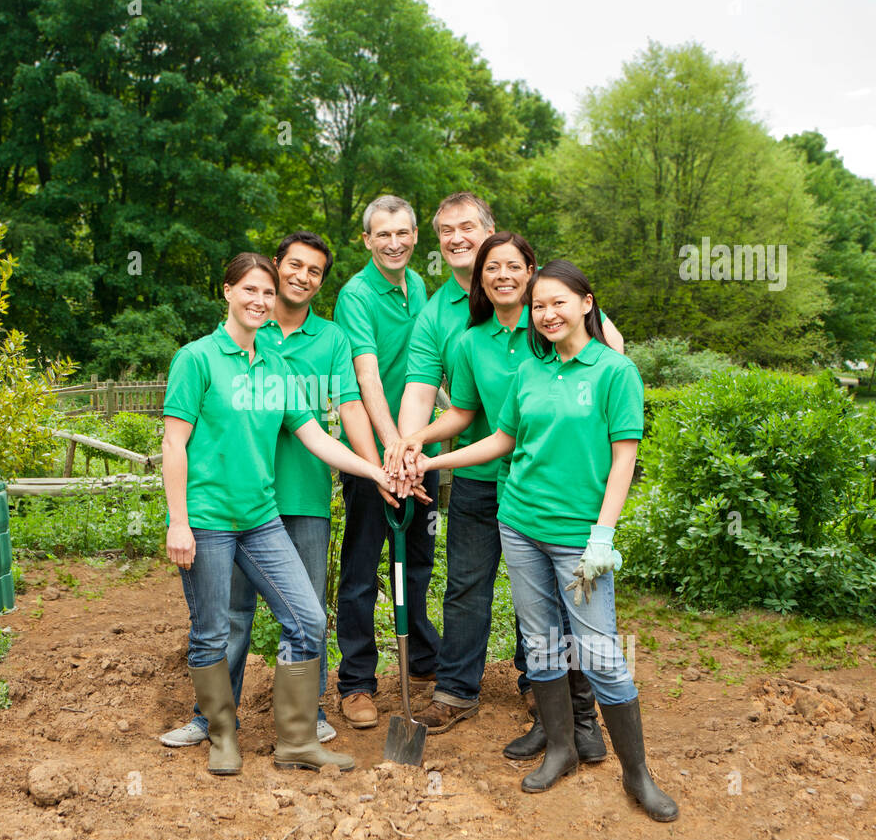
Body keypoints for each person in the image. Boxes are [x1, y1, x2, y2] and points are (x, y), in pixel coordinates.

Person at [412, 260, 678, 822]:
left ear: (586, 303)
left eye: (558, 302)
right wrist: (433, 459)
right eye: (539, 306)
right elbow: (502, 439)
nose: (547, 313)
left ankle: (639, 776)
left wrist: (602, 536)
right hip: (521, 525)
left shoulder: (613, 371)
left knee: (601, 653)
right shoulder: (530, 372)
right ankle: (560, 749)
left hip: (579, 537)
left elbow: (624, 458)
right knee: (540, 642)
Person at [389, 225, 621, 763]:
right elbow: (467, 415)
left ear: (532, 270)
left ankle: (550, 702)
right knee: (467, 587)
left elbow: (608, 360)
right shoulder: (470, 341)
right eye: (492, 268)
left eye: (513, 265)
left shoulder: (553, 333)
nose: (502, 275)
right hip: (479, 482)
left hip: (545, 489)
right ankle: (456, 691)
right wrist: (416, 440)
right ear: (480, 279)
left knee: (548, 606)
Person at [161, 252, 396, 776]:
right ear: (227, 292)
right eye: (249, 290)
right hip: (208, 519)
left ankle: (295, 741)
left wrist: (374, 470)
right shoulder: (197, 359)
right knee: (213, 630)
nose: (260, 301)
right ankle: (222, 733)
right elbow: (174, 445)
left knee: (308, 617)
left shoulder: (276, 367)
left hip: (261, 518)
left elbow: (314, 437)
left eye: (266, 294)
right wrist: (179, 520)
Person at [331, 195, 440, 729]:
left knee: (417, 561)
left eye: (402, 232)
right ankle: (356, 682)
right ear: (368, 240)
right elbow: (367, 376)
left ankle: (420, 659)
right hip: (374, 456)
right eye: (383, 234)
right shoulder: (356, 296)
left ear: (415, 235)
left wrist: (416, 448)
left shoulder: (418, 286)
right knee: (360, 569)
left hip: (420, 454)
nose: (393, 243)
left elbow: (426, 368)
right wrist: (386, 458)